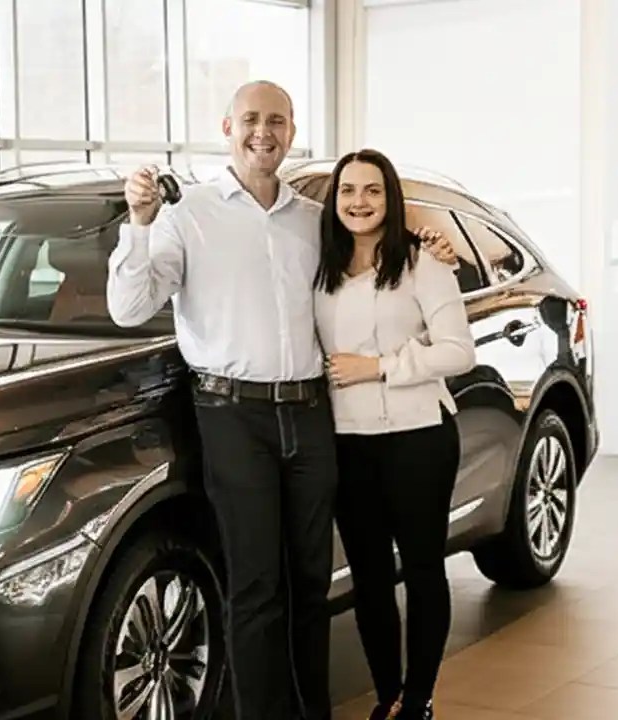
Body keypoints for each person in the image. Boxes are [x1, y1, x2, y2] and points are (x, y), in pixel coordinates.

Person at [106, 80, 455, 720]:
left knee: (310, 584)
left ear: (291, 131)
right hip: (233, 416)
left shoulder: (310, 219)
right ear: (226, 127)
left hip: (312, 416)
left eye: (276, 120)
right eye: (250, 120)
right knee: (256, 587)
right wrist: (138, 222)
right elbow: (129, 308)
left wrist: (431, 242)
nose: (262, 132)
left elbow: (370, 254)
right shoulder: (189, 215)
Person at [314, 149, 476, 720]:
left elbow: (459, 351)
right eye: (348, 191)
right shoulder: (321, 265)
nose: (360, 202)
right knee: (370, 579)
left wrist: (379, 365)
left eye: (373, 191)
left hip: (417, 437)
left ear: (390, 198)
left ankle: (421, 698)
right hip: (347, 440)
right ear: (334, 202)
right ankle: (389, 697)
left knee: (423, 568)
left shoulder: (420, 262)